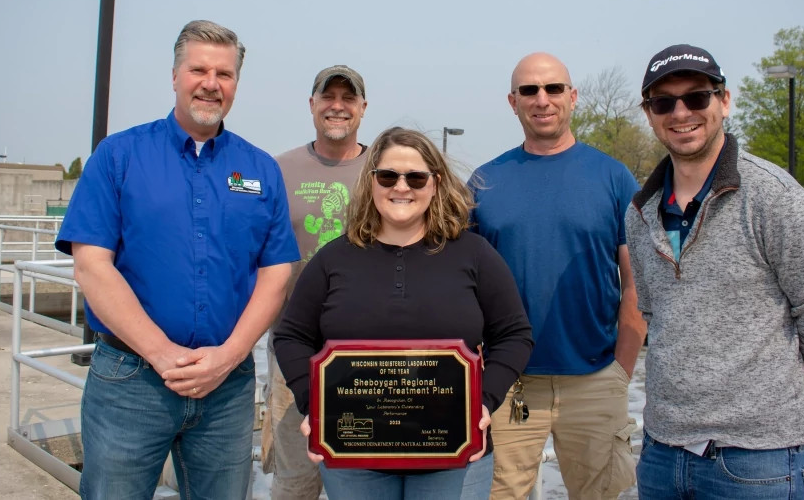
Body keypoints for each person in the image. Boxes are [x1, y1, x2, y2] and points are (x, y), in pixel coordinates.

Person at [56, 19, 299, 499]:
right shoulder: (119, 156)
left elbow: (276, 273)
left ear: (236, 84)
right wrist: (163, 354)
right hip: (131, 382)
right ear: (174, 75)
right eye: (199, 69)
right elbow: (92, 266)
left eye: (224, 74)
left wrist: (227, 358)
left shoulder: (259, 169)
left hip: (227, 388)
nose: (211, 83)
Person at [626, 44, 804, 499]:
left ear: (724, 101)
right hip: (660, 455)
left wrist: (764, 400)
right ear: (650, 114)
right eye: (664, 102)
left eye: (697, 97)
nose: (681, 112)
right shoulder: (641, 213)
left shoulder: (773, 197)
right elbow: (657, 319)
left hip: (758, 464)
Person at [273, 127, 534, 500]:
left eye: (415, 177)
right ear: (372, 181)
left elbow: (514, 335)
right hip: (355, 460)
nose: (401, 187)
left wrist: (484, 401)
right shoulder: (334, 258)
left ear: (435, 183)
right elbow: (291, 336)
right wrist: (313, 403)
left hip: (453, 455)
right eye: (388, 176)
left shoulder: (474, 254)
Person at [469, 52, 645, 500]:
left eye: (553, 89)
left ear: (573, 97)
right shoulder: (484, 183)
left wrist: (621, 371)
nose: (542, 99)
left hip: (594, 379)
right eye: (529, 90)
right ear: (512, 101)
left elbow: (637, 283)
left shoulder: (613, 177)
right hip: (507, 383)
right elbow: (463, 286)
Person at [263, 65, 368, 500]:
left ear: (363, 108)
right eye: (329, 97)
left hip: (367, 353)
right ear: (312, 105)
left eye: (349, 98)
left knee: (364, 478)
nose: (338, 106)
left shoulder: (386, 171)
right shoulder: (276, 170)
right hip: (296, 349)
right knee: (294, 482)